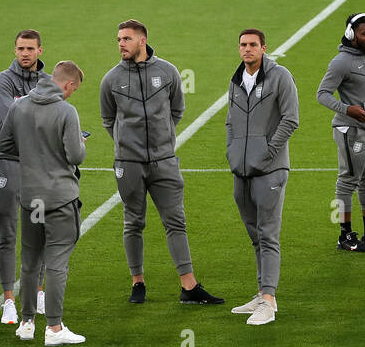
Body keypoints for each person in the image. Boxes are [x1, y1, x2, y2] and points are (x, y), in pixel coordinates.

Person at [99, 19, 222, 306]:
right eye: (118, 39)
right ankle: (137, 281)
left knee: (176, 221)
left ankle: (188, 286)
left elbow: (177, 110)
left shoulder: (167, 72)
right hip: (128, 163)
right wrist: (124, 142)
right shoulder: (111, 79)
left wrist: (161, 139)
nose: (120, 44)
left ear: (142, 40)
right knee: (133, 222)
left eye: (126, 39)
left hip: (164, 161)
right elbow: (108, 118)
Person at [0, 62, 87, 346]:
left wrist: (33, 152)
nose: (72, 94)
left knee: (30, 261)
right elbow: (75, 155)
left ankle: (26, 323)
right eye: (74, 89)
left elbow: (4, 146)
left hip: (30, 198)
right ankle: (55, 329)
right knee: (57, 263)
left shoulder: (19, 107)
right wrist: (79, 144)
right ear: (68, 85)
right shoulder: (66, 112)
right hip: (60, 198)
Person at [226, 29, 298, 326]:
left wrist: (267, 153)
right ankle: (261, 293)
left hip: (269, 169)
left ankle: (268, 301)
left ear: (264, 48)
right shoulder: (236, 80)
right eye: (243, 45)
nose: (247, 49)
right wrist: (232, 152)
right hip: (241, 170)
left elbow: (291, 119)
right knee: (255, 236)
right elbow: (230, 121)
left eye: (253, 45)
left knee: (267, 234)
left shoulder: (281, 76)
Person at [316, 12, 365, 252]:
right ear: (352, 35)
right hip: (350, 130)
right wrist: (347, 109)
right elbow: (322, 93)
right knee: (348, 181)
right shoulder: (340, 62)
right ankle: (344, 235)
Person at [0, 29, 46, 327]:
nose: (24, 53)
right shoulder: (2, 80)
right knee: (8, 232)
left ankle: (38, 292)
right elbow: (11, 117)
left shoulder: (47, 81)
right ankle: (9, 301)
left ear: (40, 50)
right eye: (20, 48)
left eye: (30, 49)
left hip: (38, 167)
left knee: (38, 231)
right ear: (15, 50)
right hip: (9, 163)